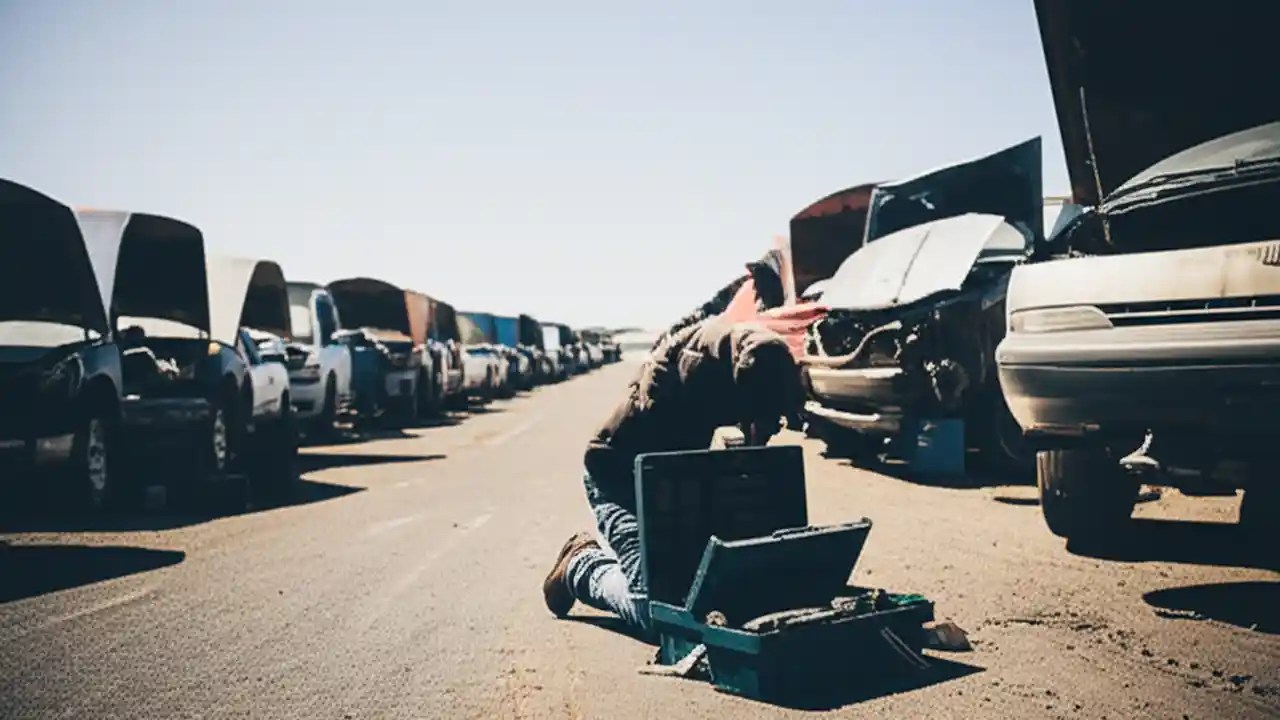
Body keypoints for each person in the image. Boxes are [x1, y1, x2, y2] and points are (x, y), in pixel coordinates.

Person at [542, 315, 803, 634]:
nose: (767, 430)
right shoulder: (691, 373)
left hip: (674, 489)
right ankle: (580, 566)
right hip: (619, 484)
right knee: (656, 612)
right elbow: (678, 471)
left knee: (713, 591)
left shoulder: (740, 355)